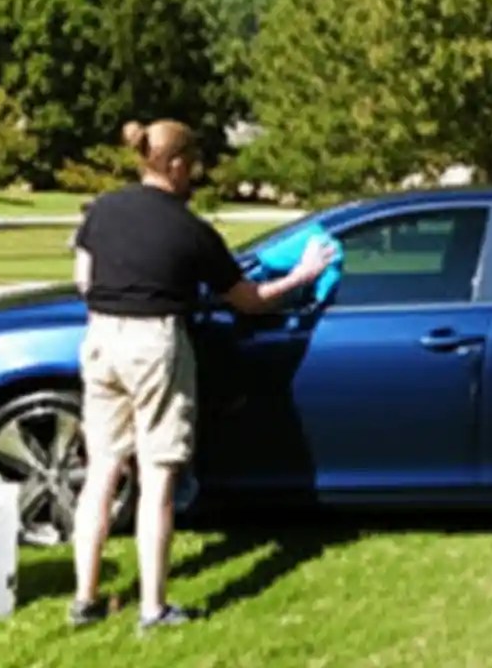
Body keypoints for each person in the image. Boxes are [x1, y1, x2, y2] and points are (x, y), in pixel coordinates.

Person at [68, 118, 335, 633]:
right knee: (158, 478)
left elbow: (83, 277)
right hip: (155, 344)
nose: (195, 175)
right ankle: (152, 609)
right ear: (173, 164)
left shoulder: (102, 209)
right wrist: (302, 275)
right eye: (192, 165)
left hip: (100, 339)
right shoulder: (189, 230)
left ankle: (85, 599)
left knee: (103, 470)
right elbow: (248, 300)